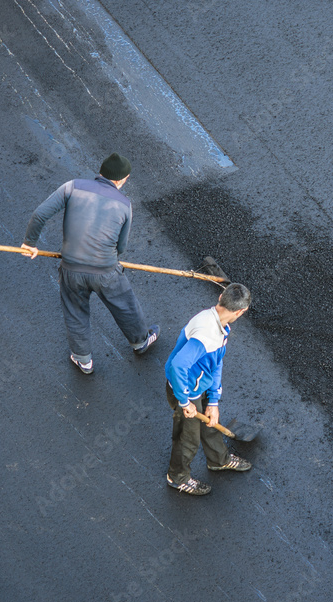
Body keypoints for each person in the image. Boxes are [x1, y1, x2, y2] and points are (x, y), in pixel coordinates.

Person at [20, 153, 159, 374]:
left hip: (71, 269)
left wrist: (30, 243)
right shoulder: (125, 205)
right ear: (123, 179)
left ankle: (83, 360)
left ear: (101, 172)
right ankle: (140, 342)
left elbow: (40, 215)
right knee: (125, 305)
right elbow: (121, 247)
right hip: (106, 271)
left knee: (75, 312)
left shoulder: (71, 187)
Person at [165, 284, 253, 496]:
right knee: (188, 438)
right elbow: (178, 366)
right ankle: (177, 478)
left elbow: (216, 363)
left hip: (199, 387)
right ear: (241, 312)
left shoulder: (219, 326)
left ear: (221, 297)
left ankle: (218, 459)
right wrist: (184, 401)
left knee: (210, 424)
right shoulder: (206, 336)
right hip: (186, 390)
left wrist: (213, 401)